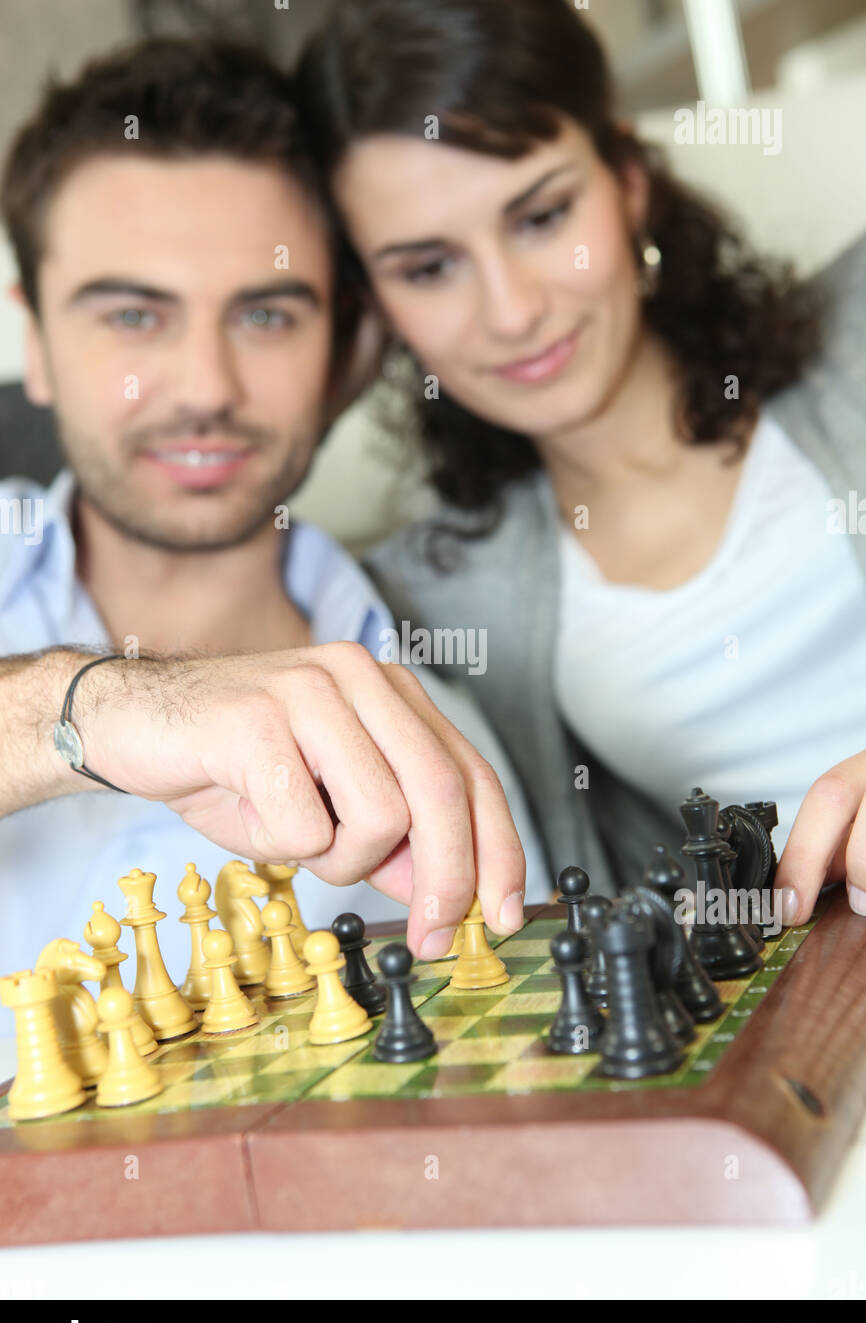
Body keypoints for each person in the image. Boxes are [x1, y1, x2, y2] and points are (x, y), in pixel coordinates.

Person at [0, 35, 547, 1024]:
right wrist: (76, 713)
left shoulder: (447, 736)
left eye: (266, 315)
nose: (207, 388)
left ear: (344, 353)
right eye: (132, 316)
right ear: (32, 340)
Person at [298, 0, 866, 927]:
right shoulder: (435, 597)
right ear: (374, 309)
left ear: (629, 181)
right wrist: (308, 381)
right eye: (428, 268)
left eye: (542, 215)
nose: (512, 309)